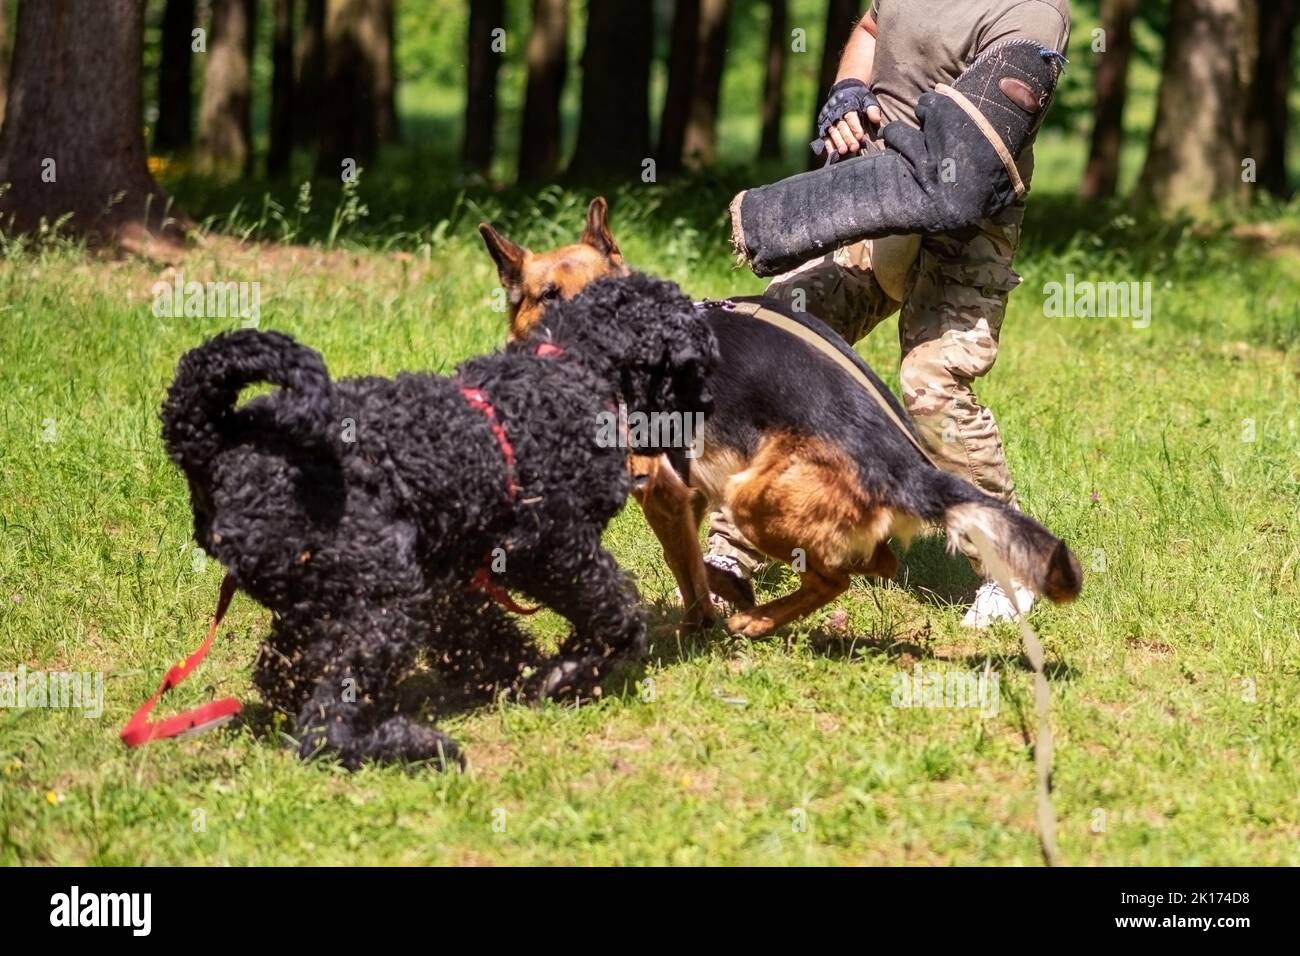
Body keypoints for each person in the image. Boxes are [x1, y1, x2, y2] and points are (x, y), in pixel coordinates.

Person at [710, 0, 1071, 628]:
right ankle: (733, 548)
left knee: (931, 384)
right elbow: (872, 26)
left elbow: (964, 173)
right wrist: (848, 90)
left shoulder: (1032, 15)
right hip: (877, 194)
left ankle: (1006, 567)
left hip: (970, 220)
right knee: (779, 339)